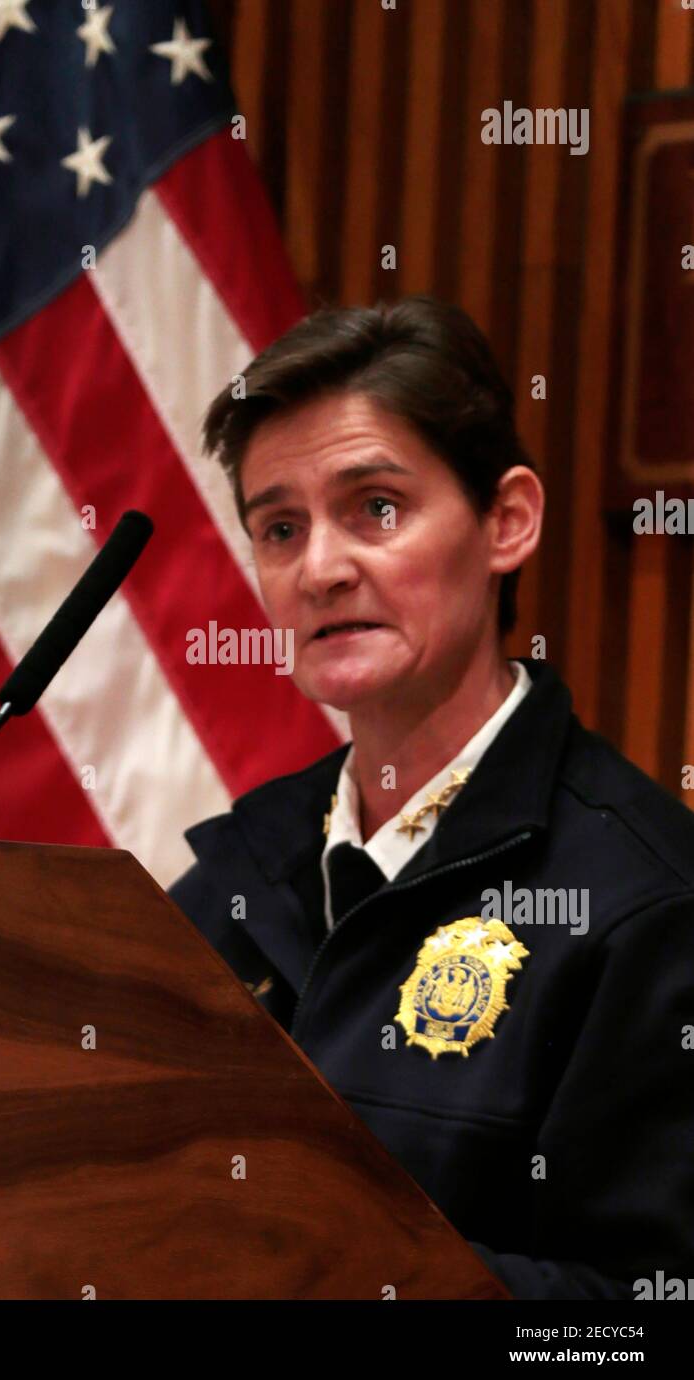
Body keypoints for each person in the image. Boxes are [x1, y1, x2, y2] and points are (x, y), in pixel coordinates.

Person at [168, 295, 694, 1300]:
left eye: (376, 508)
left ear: (507, 522)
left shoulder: (649, 906)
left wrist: (331, 1272)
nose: (320, 568)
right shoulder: (232, 878)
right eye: (279, 527)